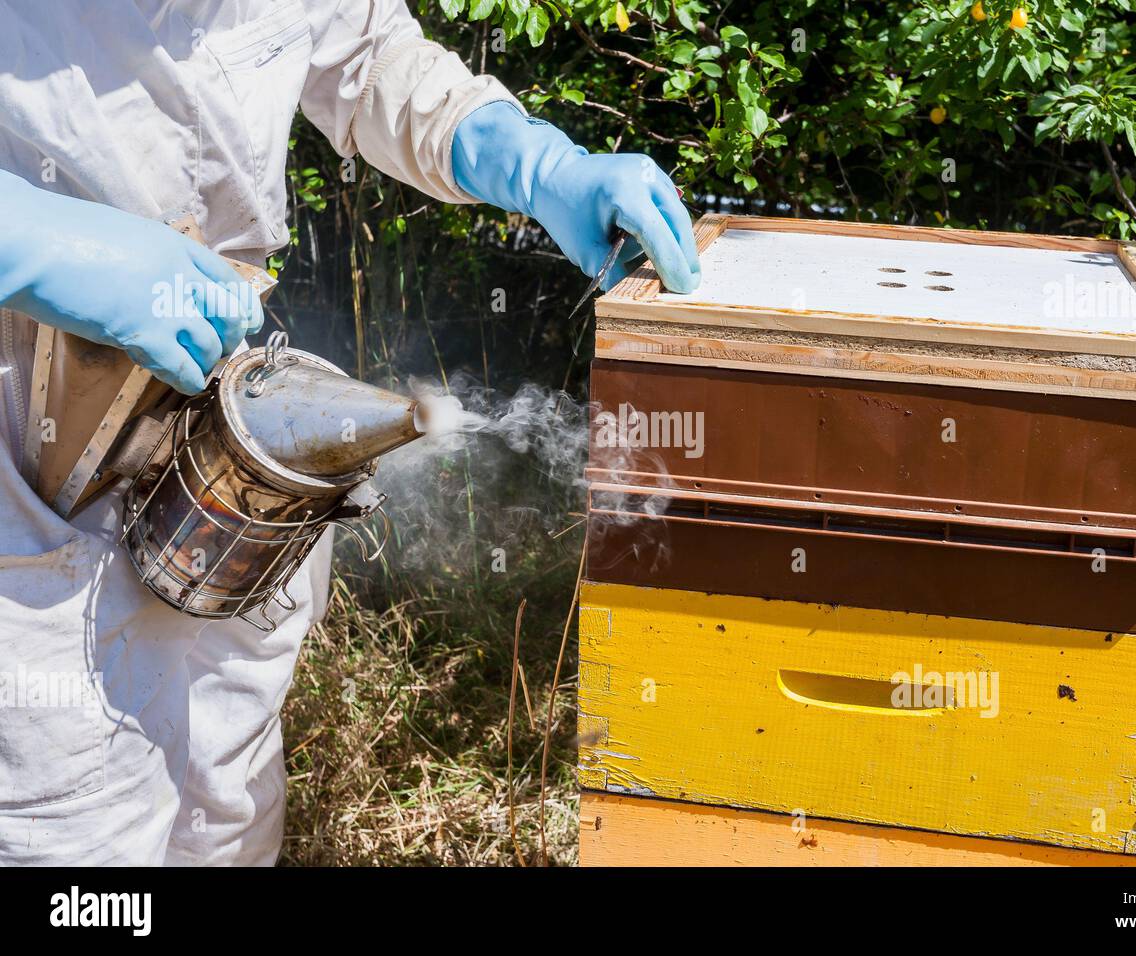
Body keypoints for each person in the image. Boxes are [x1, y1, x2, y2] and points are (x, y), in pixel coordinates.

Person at [0, 1, 700, 866]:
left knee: (227, 790)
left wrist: (538, 163)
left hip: (219, 399)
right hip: (25, 442)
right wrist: (28, 242)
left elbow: (367, 54)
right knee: (70, 823)